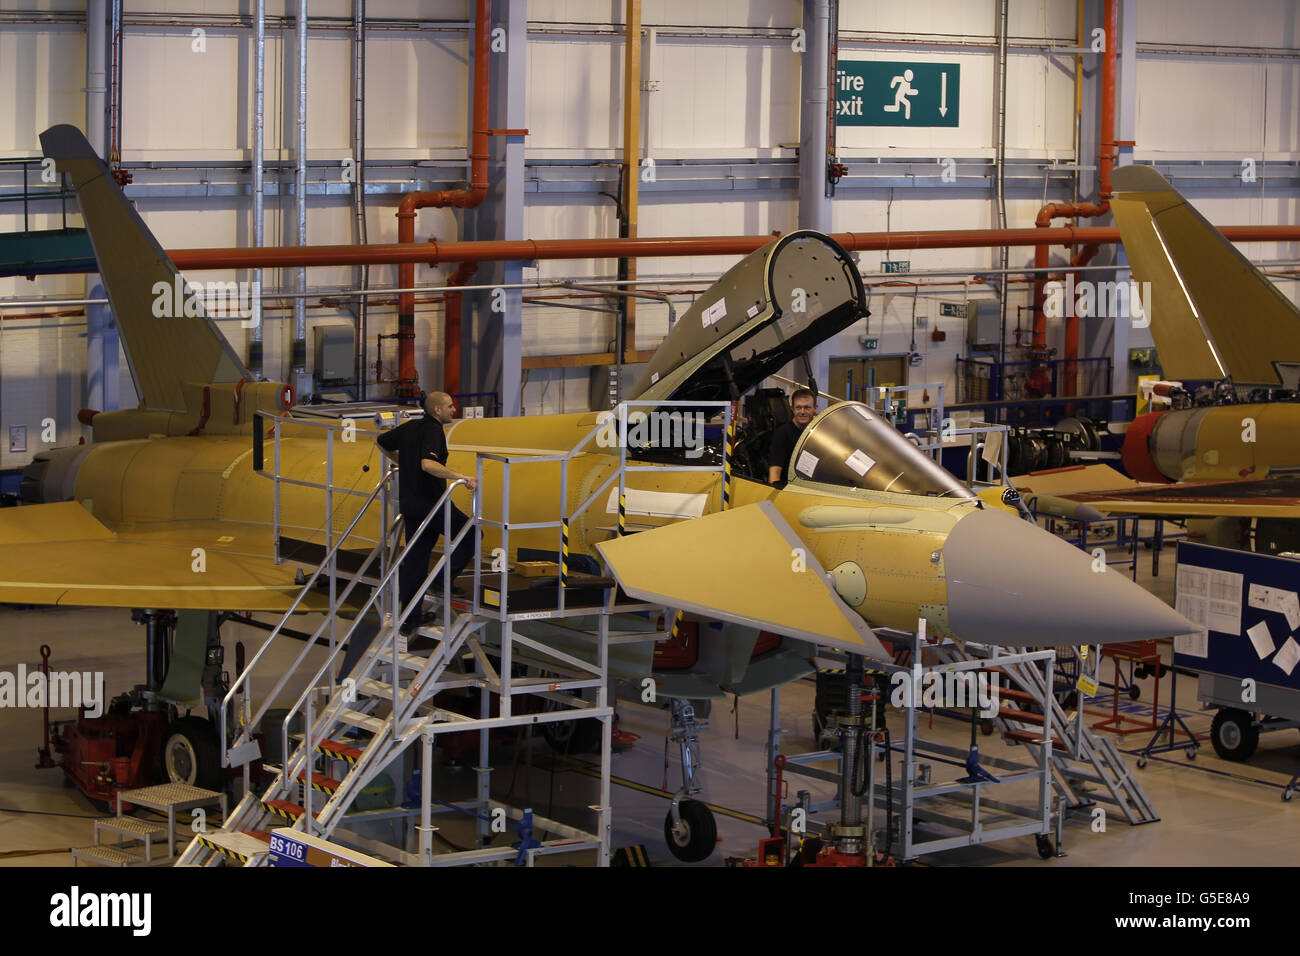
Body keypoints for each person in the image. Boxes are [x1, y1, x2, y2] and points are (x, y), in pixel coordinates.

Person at [376, 390, 479, 634]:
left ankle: (410, 618)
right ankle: (442, 580)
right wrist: (462, 477)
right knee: (472, 534)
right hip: (432, 504)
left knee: (416, 560)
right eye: (450, 407)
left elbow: (382, 441)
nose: (454, 410)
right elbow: (428, 464)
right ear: (437, 410)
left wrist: (403, 462)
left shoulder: (411, 427)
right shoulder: (433, 431)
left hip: (411, 504)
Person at [767, 387, 817, 487]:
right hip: (791, 488)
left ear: (815, 408)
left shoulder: (819, 431)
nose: (802, 412)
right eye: (798, 408)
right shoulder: (782, 433)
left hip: (816, 486)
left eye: (807, 407)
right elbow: (775, 470)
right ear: (792, 409)